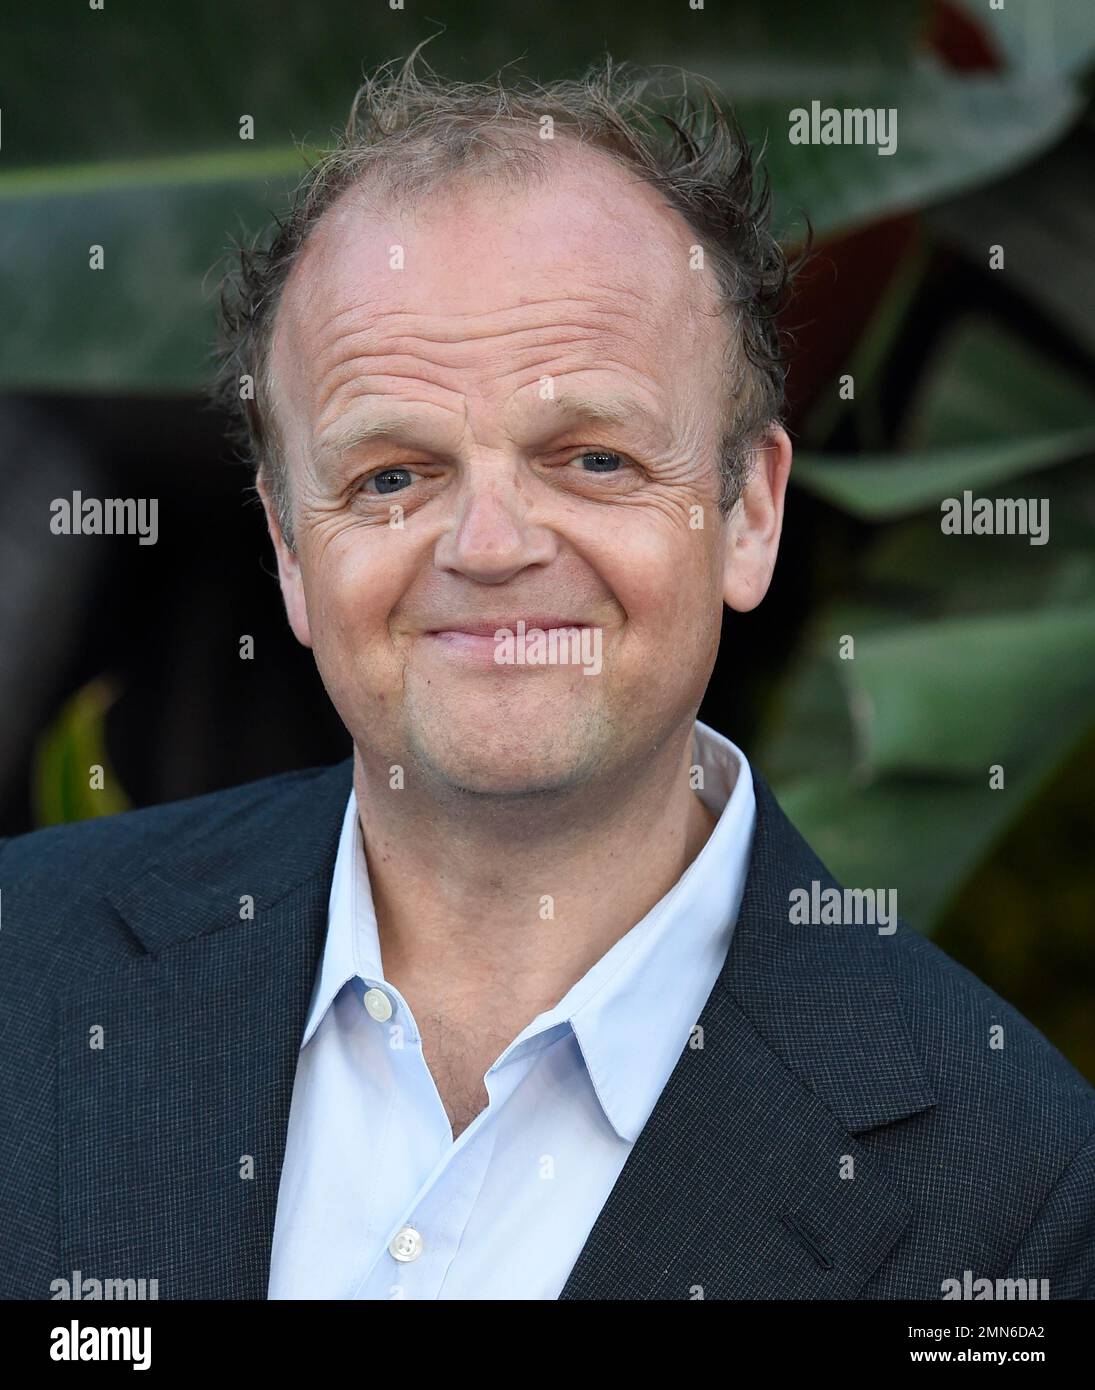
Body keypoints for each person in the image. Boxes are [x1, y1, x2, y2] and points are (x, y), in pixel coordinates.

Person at [2, 51, 1092, 1301]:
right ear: (290, 553)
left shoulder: (1019, 1191)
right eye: (392, 477)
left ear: (751, 513)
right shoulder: (23, 968)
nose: (491, 547)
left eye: (593, 459)